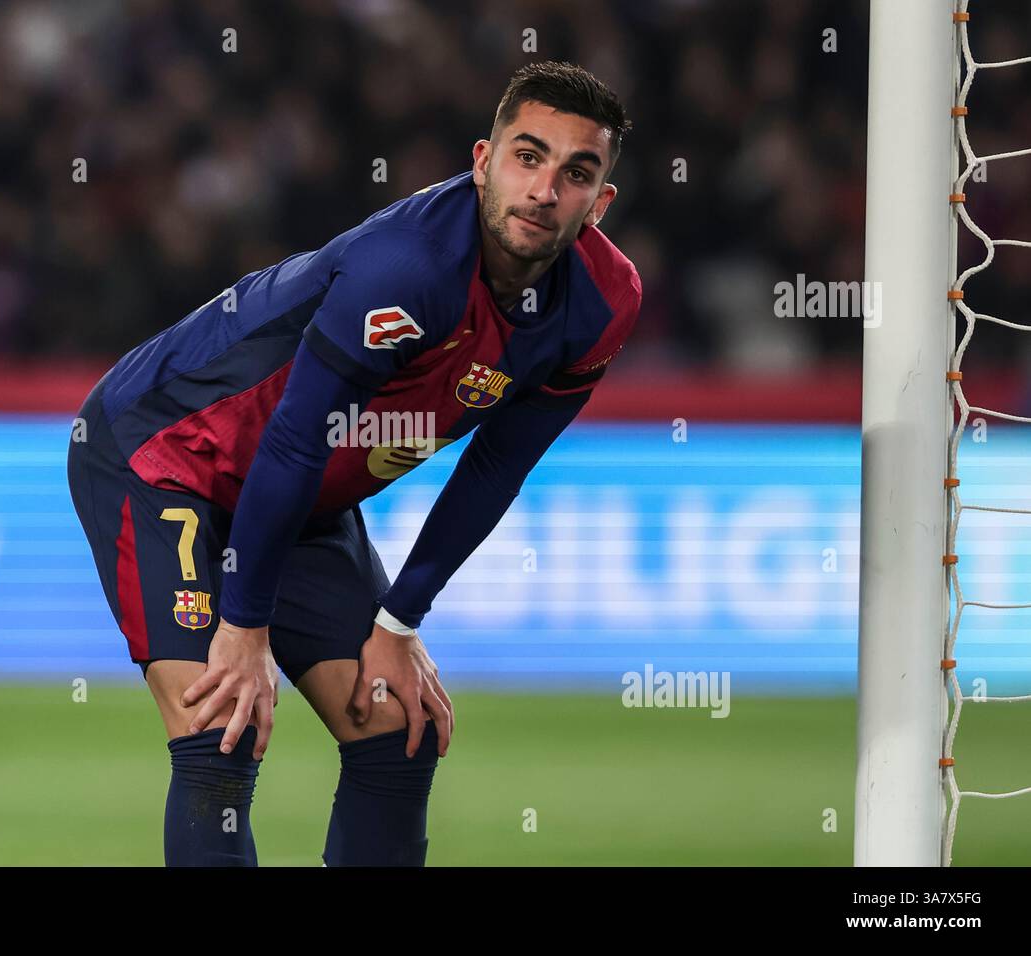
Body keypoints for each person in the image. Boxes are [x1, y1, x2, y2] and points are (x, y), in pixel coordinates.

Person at [67, 59, 640, 866]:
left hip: (296, 499)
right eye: (528, 155)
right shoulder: (406, 269)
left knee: (399, 728)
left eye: (576, 172)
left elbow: (495, 469)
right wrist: (243, 625)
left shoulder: (602, 303)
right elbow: (296, 440)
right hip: (164, 457)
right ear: (483, 160)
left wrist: (400, 622)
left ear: (601, 201)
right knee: (221, 731)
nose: (545, 188)